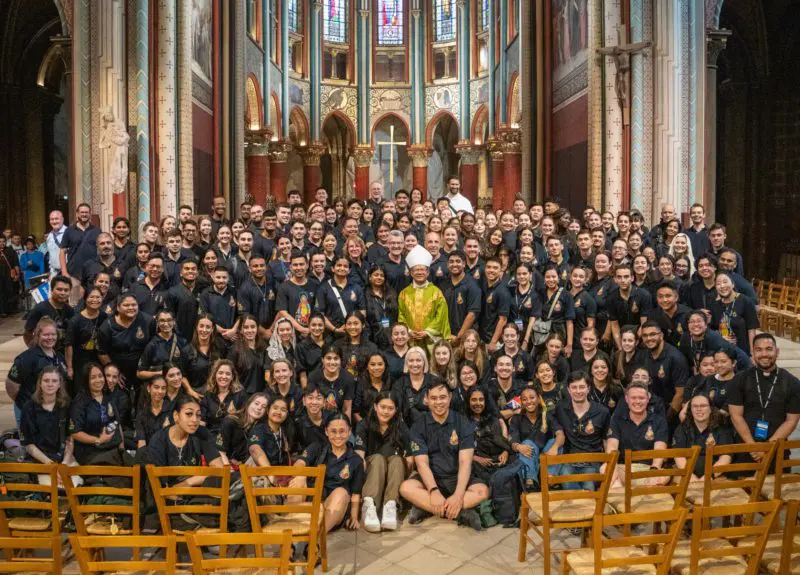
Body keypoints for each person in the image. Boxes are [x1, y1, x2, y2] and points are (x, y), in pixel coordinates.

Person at [399, 381, 489, 530]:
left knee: (482, 491)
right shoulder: (418, 426)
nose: (438, 402)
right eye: (434, 398)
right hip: (432, 479)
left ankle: (428, 508)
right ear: (426, 399)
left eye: (442, 397)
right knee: (406, 488)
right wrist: (433, 491)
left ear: (450, 397)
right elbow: (422, 464)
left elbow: (465, 462)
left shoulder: (463, 422)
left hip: (458, 477)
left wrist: (459, 495)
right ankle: (460, 513)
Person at [728, 333, 800, 464]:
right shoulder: (740, 379)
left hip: (777, 448)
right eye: (759, 350)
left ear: (777, 352)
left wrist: (767, 448)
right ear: (752, 352)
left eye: (769, 349)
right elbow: (735, 416)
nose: (764, 354)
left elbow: (792, 420)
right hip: (745, 447)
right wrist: (753, 447)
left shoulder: (792, 382)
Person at [291, 414, 364, 533]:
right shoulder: (317, 447)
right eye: (333, 431)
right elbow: (300, 462)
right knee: (297, 481)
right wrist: (301, 474)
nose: (338, 436)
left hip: (334, 506)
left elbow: (356, 494)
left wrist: (354, 517)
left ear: (349, 431)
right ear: (326, 431)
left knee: (341, 493)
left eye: (342, 431)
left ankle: (315, 537)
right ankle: (291, 529)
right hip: (311, 502)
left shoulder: (356, 460)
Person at [355, 391, 409, 532]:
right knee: (378, 458)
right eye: (382, 407)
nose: (386, 411)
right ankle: (369, 505)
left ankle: (390, 506)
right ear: (375, 406)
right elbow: (359, 456)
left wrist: (406, 472)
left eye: (390, 408)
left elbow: (409, 456)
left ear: (396, 410)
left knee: (397, 460)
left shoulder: (401, 426)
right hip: (372, 470)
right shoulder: (363, 424)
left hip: (394, 472)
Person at [550, 372, 611, 490]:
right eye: (574, 387)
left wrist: (607, 463)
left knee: (588, 486)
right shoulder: (561, 408)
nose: (578, 391)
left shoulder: (602, 412)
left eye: (582, 387)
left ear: (588, 389)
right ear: (568, 390)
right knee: (568, 483)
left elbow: (606, 440)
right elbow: (551, 423)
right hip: (568, 461)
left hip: (592, 462)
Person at [604, 382, 669, 487]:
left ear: (648, 399)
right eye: (633, 398)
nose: (637, 401)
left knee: (663, 476)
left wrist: (654, 471)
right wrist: (612, 468)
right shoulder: (616, 419)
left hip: (648, 469)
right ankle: (622, 496)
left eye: (641, 398)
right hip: (624, 468)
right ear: (627, 399)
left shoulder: (659, 421)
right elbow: (612, 447)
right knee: (605, 468)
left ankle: (642, 494)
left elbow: (660, 450)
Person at [6, 318, 66, 428]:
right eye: (46, 335)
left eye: (53, 334)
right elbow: (11, 385)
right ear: (38, 335)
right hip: (30, 411)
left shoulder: (60, 357)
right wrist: (25, 403)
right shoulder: (27, 358)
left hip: (51, 410)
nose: (50, 338)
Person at [68, 363, 127, 466]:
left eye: (100, 376)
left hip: (112, 448)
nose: (98, 380)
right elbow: (74, 432)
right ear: (86, 380)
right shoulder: (79, 402)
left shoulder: (108, 396)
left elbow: (117, 423)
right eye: (93, 377)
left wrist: (122, 446)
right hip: (91, 451)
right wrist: (98, 440)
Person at [397, 245, 451, 354]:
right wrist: (408, 331)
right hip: (411, 340)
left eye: (422, 269)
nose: (419, 272)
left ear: (428, 272)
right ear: (411, 273)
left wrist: (427, 332)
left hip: (431, 342)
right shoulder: (404, 293)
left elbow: (441, 317)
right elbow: (401, 316)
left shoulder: (436, 292)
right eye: (416, 270)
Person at [97, 294, 154, 391]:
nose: (131, 308)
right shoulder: (107, 326)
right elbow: (102, 353)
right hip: (119, 371)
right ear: (118, 308)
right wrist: (114, 373)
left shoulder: (148, 321)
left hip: (143, 370)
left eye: (134, 305)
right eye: (126, 305)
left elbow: (153, 346)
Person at [673, 393, 735, 482]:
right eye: (695, 406)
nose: (699, 409)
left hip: (716, 475)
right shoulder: (682, 428)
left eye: (703, 406)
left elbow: (726, 457)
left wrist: (709, 476)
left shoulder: (722, 427)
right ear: (690, 409)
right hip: (687, 474)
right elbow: (679, 455)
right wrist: (690, 477)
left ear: (711, 408)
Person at [19, 367, 74, 467]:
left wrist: (65, 463)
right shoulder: (28, 408)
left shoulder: (67, 406)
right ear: (40, 383)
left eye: (54, 381)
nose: (50, 384)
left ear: (59, 384)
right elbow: (28, 444)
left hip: (64, 460)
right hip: (38, 461)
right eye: (46, 380)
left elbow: (69, 439)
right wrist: (50, 464)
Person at [641, 320, 689, 424]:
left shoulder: (676, 358)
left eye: (652, 334)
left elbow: (680, 394)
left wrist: (665, 420)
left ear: (661, 335)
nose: (648, 338)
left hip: (670, 414)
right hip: (649, 410)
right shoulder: (644, 354)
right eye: (645, 335)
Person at [65, 286, 105, 393]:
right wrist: (69, 367)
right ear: (85, 299)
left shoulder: (104, 317)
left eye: (98, 297)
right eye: (91, 297)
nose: (95, 300)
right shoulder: (75, 321)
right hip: (80, 362)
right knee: (81, 390)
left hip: (99, 360)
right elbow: (69, 345)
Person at [709, 272, 759, 357]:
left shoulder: (745, 301)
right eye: (718, 284)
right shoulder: (715, 305)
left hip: (742, 352)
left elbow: (751, 330)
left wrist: (753, 353)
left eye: (725, 282)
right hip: (721, 352)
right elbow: (712, 329)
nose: (722, 286)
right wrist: (720, 337)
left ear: (732, 284)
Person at [60, 203, 102, 303]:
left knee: (93, 302)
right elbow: (62, 251)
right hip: (74, 274)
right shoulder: (69, 231)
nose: (84, 214)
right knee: (74, 303)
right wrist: (64, 272)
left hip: (92, 273)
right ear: (77, 214)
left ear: (90, 214)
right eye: (82, 212)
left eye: (86, 212)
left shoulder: (97, 230)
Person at [217, 393, 269, 466]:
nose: (259, 408)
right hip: (228, 465)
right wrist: (230, 470)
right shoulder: (230, 421)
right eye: (256, 403)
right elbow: (221, 452)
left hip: (249, 466)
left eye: (263, 407)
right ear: (248, 404)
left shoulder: (262, 427)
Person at [23, 274, 74, 349]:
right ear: (52, 290)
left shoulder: (70, 311)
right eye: (59, 289)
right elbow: (27, 333)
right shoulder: (40, 309)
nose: (63, 293)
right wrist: (34, 351)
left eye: (66, 290)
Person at [307, 344, 355, 420]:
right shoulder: (313, 377)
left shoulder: (348, 378)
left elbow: (347, 409)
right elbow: (311, 404)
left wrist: (345, 426)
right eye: (328, 358)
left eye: (336, 358)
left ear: (340, 360)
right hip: (318, 417)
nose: (332, 362)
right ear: (322, 360)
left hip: (338, 419)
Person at [200, 359, 247, 435]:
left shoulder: (240, 395)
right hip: (211, 435)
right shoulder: (208, 394)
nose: (224, 376)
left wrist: (234, 416)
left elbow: (245, 421)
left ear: (232, 377)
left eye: (228, 374)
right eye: (220, 373)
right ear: (215, 375)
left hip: (232, 436)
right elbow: (202, 420)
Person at [229, 315, 268, 395]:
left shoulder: (264, 348)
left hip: (262, 395)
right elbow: (231, 375)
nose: (249, 330)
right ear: (241, 330)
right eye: (246, 327)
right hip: (242, 395)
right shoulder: (234, 350)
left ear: (257, 328)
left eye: (253, 327)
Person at [134, 375, 171, 449]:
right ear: (149, 388)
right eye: (156, 387)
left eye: (163, 388)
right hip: (148, 451)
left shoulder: (172, 410)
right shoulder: (142, 412)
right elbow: (141, 442)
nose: (160, 391)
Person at [296, 313, 329, 388]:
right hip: (311, 387)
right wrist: (307, 391)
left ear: (324, 327)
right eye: (313, 325)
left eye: (320, 325)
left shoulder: (330, 344)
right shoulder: (301, 347)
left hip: (328, 386)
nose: (317, 328)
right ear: (309, 326)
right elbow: (302, 374)